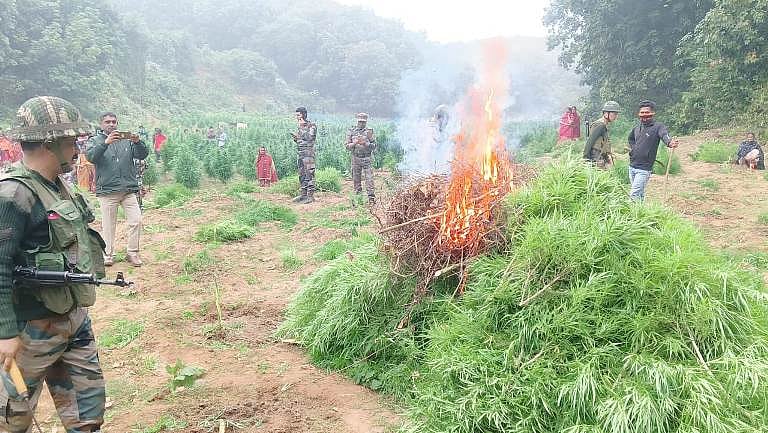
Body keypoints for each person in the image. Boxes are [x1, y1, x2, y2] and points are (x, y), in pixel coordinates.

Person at [0, 96, 107, 432]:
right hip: (28, 330)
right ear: (50, 143)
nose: (78, 149)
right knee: (12, 420)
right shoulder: (14, 195)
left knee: (88, 416)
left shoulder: (60, 186)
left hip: (73, 322)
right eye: (72, 141)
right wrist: (5, 333)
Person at [86, 112, 149, 267]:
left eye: (114, 121)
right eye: (108, 122)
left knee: (136, 220)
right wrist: (105, 143)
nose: (111, 124)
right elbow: (91, 157)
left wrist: (138, 142)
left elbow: (142, 154)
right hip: (107, 191)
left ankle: (132, 253)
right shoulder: (95, 140)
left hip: (128, 189)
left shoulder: (126, 140)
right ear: (101, 124)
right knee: (108, 225)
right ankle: (108, 255)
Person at [627, 100, 679, 201]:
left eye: (647, 113)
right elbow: (631, 139)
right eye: (642, 113)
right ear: (639, 114)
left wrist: (670, 142)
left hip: (644, 169)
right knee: (639, 194)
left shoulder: (658, 127)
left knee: (634, 194)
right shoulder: (637, 128)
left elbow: (664, 135)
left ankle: (629, 215)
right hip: (632, 166)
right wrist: (633, 150)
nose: (644, 115)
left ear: (652, 113)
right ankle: (641, 213)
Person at [345, 112, 377, 204]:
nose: (361, 123)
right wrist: (355, 143)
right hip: (356, 158)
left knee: (369, 179)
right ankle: (359, 199)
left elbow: (374, 145)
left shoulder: (369, 131)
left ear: (366, 122)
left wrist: (365, 143)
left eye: (363, 122)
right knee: (356, 179)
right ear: (357, 121)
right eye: (360, 121)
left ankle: (371, 199)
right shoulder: (352, 131)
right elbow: (347, 146)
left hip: (367, 158)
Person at [290, 107, 317, 204]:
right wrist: (296, 138)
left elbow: (310, 138)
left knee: (309, 174)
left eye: (298, 115)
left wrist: (301, 128)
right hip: (300, 153)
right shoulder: (300, 126)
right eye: (296, 115)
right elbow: (301, 140)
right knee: (302, 175)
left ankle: (310, 196)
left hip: (308, 154)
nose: (297, 117)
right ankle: (303, 194)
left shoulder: (311, 125)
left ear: (304, 115)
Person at [583, 101, 621, 168]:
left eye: (616, 114)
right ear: (606, 113)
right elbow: (590, 142)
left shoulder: (604, 125)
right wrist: (586, 158)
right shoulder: (600, 125)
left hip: (601, 156)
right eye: (614, 113)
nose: (616, 116)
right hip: (596, 157)